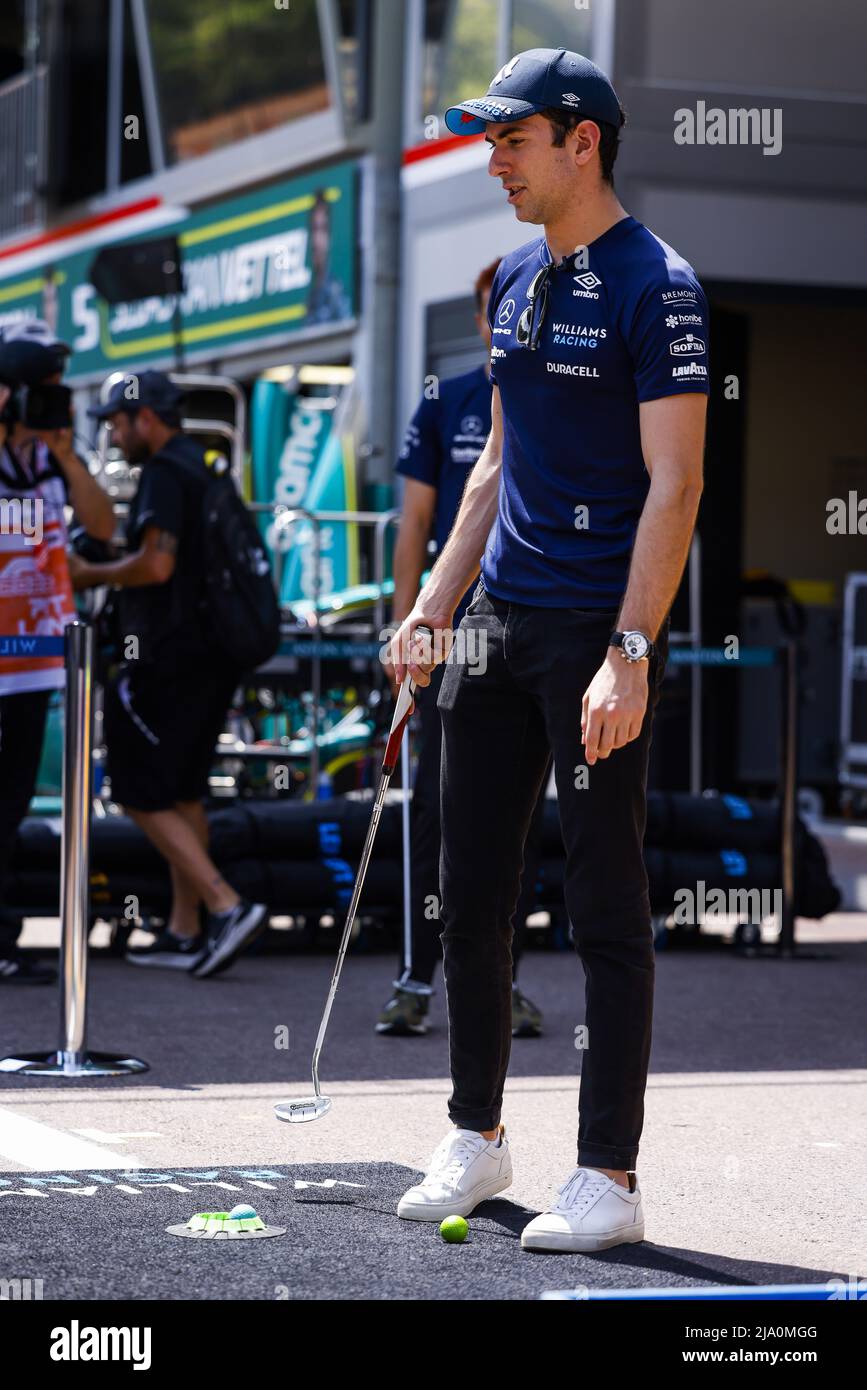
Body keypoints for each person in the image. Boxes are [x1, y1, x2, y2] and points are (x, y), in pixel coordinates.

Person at [390, 48, 708, 1252]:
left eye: (512, 139)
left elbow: (674, 488)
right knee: (471, 890)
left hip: (593, 632)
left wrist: (629, 650)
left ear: (583, 140)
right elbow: (491, 464)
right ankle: (476, 1136)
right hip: (496, 628)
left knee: (604, 901)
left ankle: (609, 1176)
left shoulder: (660, 286)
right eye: (491, 141)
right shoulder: (517, 278)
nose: (494, 161)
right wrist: (431, 606)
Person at [380, 259, 547, 1039]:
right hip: (447, 625)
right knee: (432, 809)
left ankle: (502, 981)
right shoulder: (444, 397)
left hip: (528, 621)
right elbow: (413, 524)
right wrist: (408, 622)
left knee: (515, 813)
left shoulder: (553, 385)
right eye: (491, 312)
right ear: (483, 319)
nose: (501, 323)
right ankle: (415, 977)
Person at [71, 371, 267, 978]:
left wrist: (88, 573)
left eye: (117, 422)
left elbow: (156, 567)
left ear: (145, 419)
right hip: (216, 654)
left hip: (173, 659)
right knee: (183, 791)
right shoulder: (204, 465)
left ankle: (225, 904)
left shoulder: (163, 473)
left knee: (136, 789)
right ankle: (186, 929)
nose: (113, 432)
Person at [0, 320, 115, 984]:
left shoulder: (49, 460)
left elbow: (101, 528)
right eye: (37, 389)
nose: (50, 401)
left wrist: (68, 455)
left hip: (35, 659)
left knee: (14, 798)